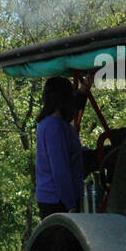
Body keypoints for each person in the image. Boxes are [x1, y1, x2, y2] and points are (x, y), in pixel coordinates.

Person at [34, 76, 85, 218]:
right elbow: (60, 169)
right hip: (57, 200)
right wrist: (71, 205)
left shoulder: (49, 123)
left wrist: (84, 89)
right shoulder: (55, 127)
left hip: (52, 198)